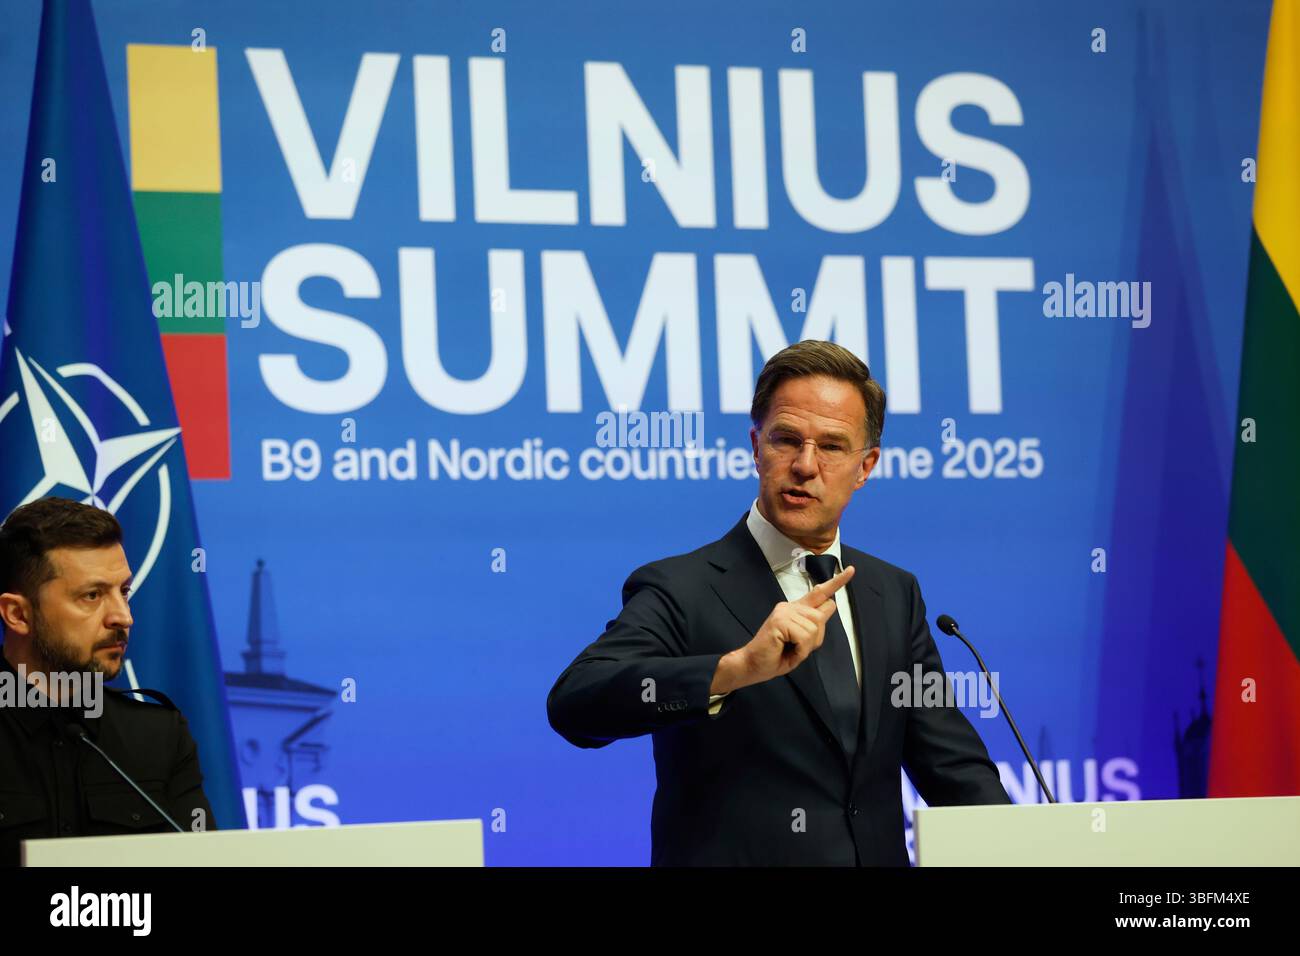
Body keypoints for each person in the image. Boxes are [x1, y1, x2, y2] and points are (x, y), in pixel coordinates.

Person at [548, 339, 1010, 865]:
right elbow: (575, 703)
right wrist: (734, 668)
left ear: (866, 466)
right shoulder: (684, 587)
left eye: (833, 446)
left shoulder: (893, 594)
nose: (805, 465)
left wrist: (1027, 849)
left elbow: (952, 766)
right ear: (756, 446)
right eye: (786, 439)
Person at [0, 497, 214, 866]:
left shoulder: (159, 736)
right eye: (92, 595)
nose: (122, 616)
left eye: (124, 592)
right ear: (18, 614)